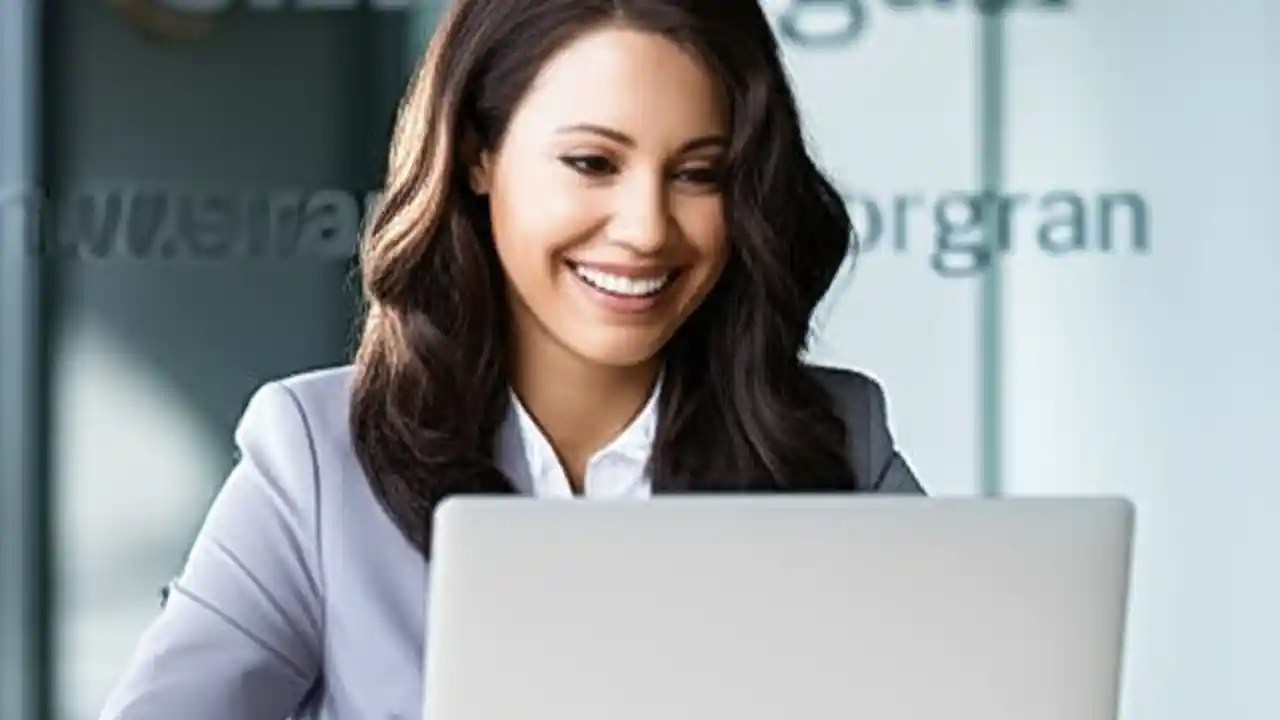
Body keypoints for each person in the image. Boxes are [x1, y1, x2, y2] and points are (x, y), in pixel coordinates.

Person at [99, 0, 924, 717]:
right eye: (592, 163)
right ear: (478, 154)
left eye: (699, 174)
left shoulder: (834, 441)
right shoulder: (318, 458)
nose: (645, 227)